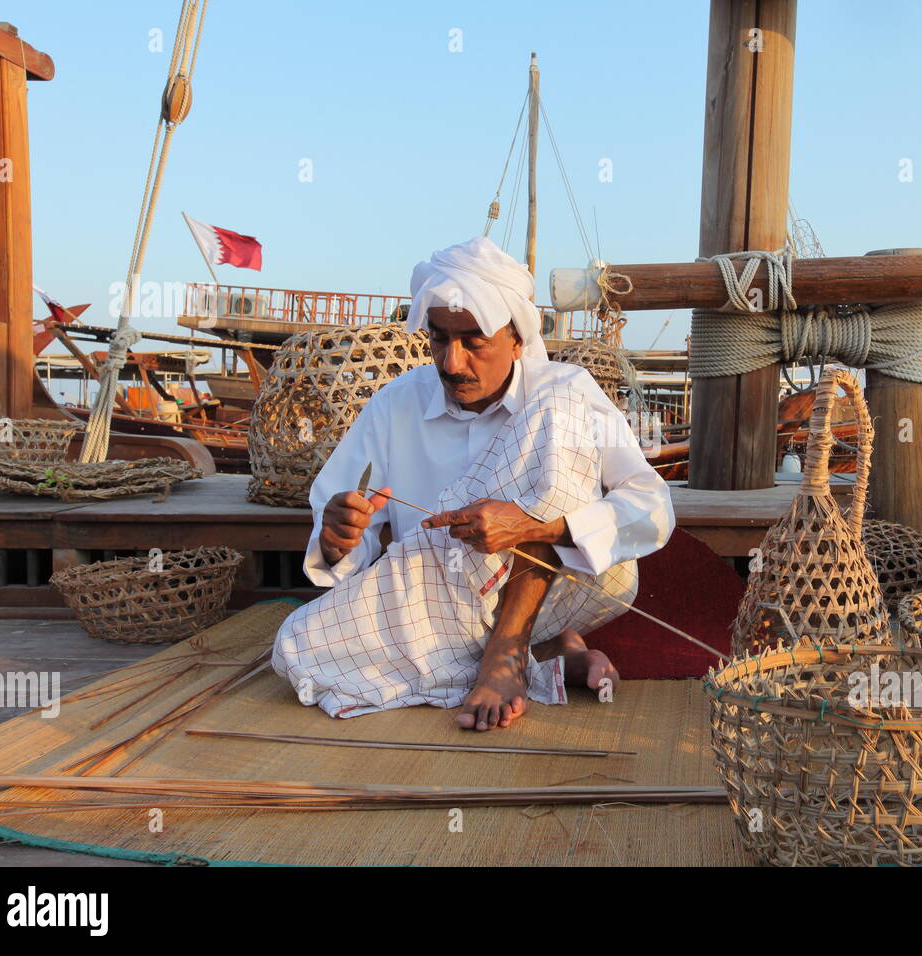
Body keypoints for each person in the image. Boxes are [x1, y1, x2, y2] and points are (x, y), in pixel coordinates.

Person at [272, 236, 675, 731]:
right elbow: (338, 533)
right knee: (297, 651)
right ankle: (549, 654)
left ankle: (507, 653)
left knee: (557, 410)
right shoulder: (396, 404)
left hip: (564, 589)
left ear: (517, 340)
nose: (451, 362)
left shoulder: (565, 393)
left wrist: (533, 528)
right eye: (439, 338)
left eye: (473, 343)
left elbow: (654, 508)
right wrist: (338, 539)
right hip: (439, 607)